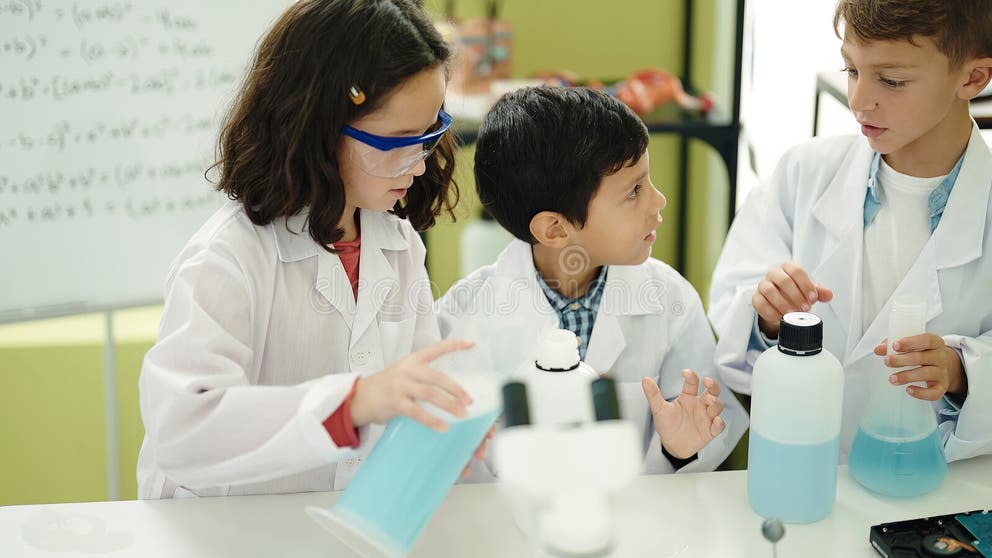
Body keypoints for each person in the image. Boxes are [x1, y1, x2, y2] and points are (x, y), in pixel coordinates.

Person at [137, 0, 478, 499]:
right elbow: (183, 429)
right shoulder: (227, 257)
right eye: (398, 141)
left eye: (429, 133)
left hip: (336, 519)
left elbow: (415, 397)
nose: (420, 164)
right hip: (223, 528)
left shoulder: (397, 243)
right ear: (316, 126)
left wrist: (453, 433)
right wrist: (352, 403)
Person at [708, 0, 992, 462]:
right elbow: (730, 310)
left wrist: (962, 372)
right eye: (852, 70)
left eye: (892, 81)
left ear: (974, 78)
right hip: (800, 466)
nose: (859, 101)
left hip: (938, 486)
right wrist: (767, 319)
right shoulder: (804, 173)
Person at [437, 86, 748, 475]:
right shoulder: (462, 320)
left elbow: (710, 424)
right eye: (634, 192)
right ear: (555, 229)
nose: (659, 201)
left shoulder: (670, 301)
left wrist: (678, 451)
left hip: (638, 509)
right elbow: (456, 464)